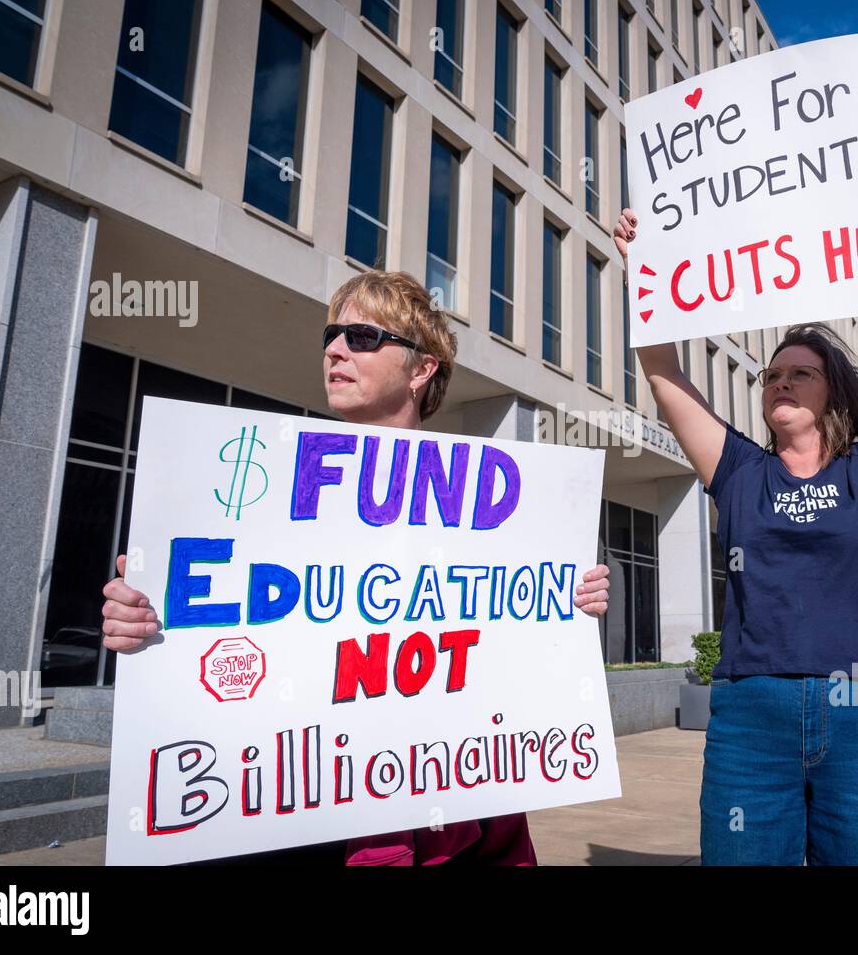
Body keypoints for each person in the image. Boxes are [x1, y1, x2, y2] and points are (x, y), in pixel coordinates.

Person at [100, 269, 612, 865]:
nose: (336, 350)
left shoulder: (494, 523)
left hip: (451, 807)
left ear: (422, 370)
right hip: (297, 814)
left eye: (364, 337)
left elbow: (512, 632)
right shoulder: (265, 501)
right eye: (331, 337)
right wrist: (148, 620)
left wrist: (566, 605)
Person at [615, 161, 858, 865]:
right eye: (771, 376)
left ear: (834, 393)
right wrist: (644, 268)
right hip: (751, 724)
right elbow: (664, 374)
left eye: (801, 372)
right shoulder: (738, 471)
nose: (781, 382)